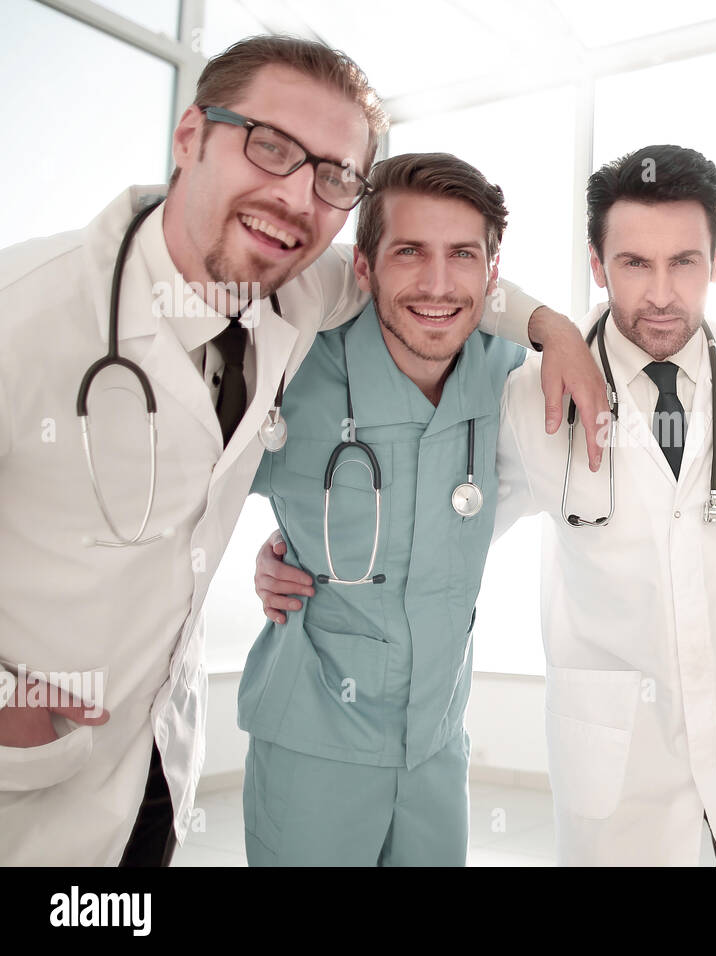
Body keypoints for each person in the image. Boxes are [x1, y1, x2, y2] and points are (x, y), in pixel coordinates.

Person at [0, 35, 604, 867]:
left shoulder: (300, 284)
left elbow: (460, 285)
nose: (293, 196)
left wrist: (553, 326)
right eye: (269, 145)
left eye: (330, 176)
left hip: (159, 764)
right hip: (34, 769)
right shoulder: (23, 310)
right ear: (188, 137)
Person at [259, 144, 716, 866]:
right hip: (618, 755)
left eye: (684, 262)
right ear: (596, 263)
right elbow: (442, 523)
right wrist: (303, 545)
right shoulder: (527, 395)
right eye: (633, 263)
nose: (659, 293)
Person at [238, 152, 523, 865]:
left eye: (462, 255)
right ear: (362, 268)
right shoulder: (290, 369)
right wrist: (279, 545)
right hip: (314, 746)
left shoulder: (512, 371)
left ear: (493, 276)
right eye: (408, 252)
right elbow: (182, 504)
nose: (436, 283)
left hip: (435, 748)